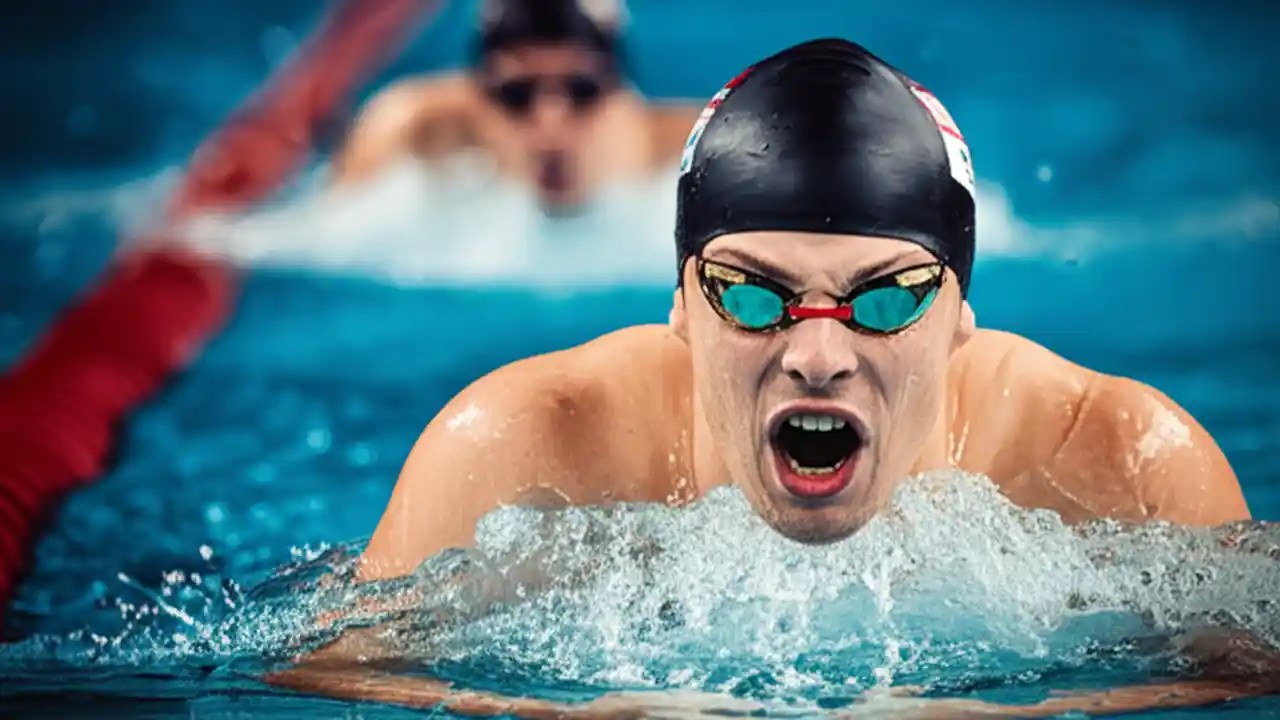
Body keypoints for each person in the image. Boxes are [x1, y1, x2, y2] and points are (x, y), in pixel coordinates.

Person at [271, 38, 1265, 717]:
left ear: (960, 313)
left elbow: (1250, 676)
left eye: (882, 298)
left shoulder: (1115, 458)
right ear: (680, 306)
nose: (818, 355)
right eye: (753, 297)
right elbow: (328, 676)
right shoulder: (523, 445)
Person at [332, 0, 699, 212]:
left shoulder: (685, 149)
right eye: (517, 95)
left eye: (581, 91)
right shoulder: (411, 128)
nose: (550, 122)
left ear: (620, 94)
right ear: (475, 96)